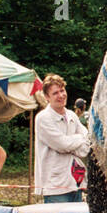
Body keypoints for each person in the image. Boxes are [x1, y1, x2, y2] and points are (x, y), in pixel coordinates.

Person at [35, 74, 91, 203]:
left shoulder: (72, 115)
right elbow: (62, 145)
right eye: (55, 93)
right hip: (55, 187)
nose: (61, 95)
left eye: (62, 91)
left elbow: (85, 147)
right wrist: (78, 139)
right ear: (47, 97)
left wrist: (71, 143)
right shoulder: (43, 118)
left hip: (75, 183)